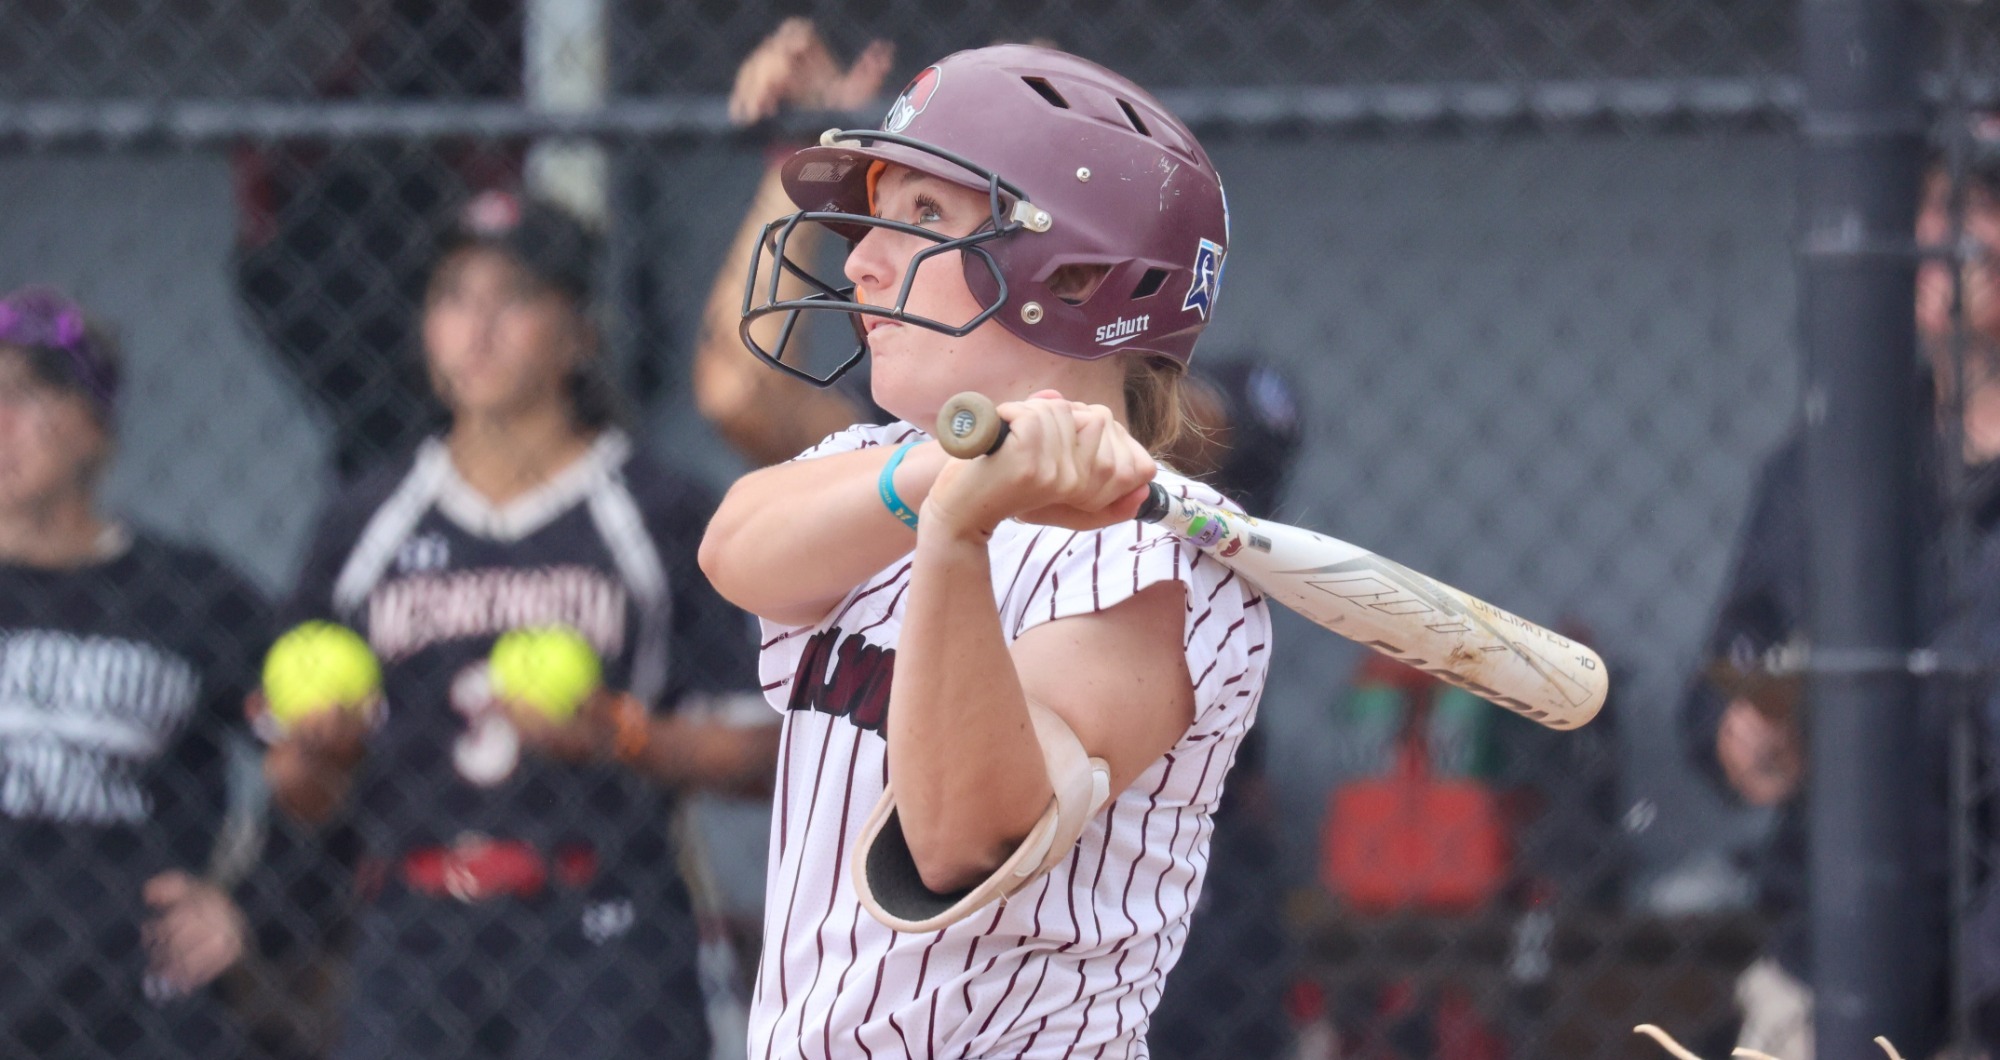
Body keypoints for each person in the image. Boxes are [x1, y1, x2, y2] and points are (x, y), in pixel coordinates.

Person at [701, 43, 1272, 1057]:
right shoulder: (880, 465)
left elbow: (960, 833)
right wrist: (933, 484)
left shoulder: (1162, 577)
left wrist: (957, 537)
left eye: (923, 217)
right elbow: (735, 548)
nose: (861, 258)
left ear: (1082, 274)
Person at [258, 191, 777, 1059]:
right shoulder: (366, 520)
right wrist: (320, 750)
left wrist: (621, 736)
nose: (477, 327)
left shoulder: (658, 511)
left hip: (603, 922)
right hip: (411, 928)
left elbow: (762, 750)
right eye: (453, 296)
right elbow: (295, 790)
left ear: (580, 333)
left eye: (514, 297)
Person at [1680, 130, 2000, 1058]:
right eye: (1930, 207)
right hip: (1851, 937)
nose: (1947, 237)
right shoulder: (1833, 460)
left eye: (1980, 205)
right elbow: (1735, 664)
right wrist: (1750, 732)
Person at [0, 286, 269, 1056]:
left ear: (94, 426)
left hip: (136, 1015)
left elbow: (331, 755)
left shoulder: (190, 593)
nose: (0, 423)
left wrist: (252, 905)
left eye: (24, 396)